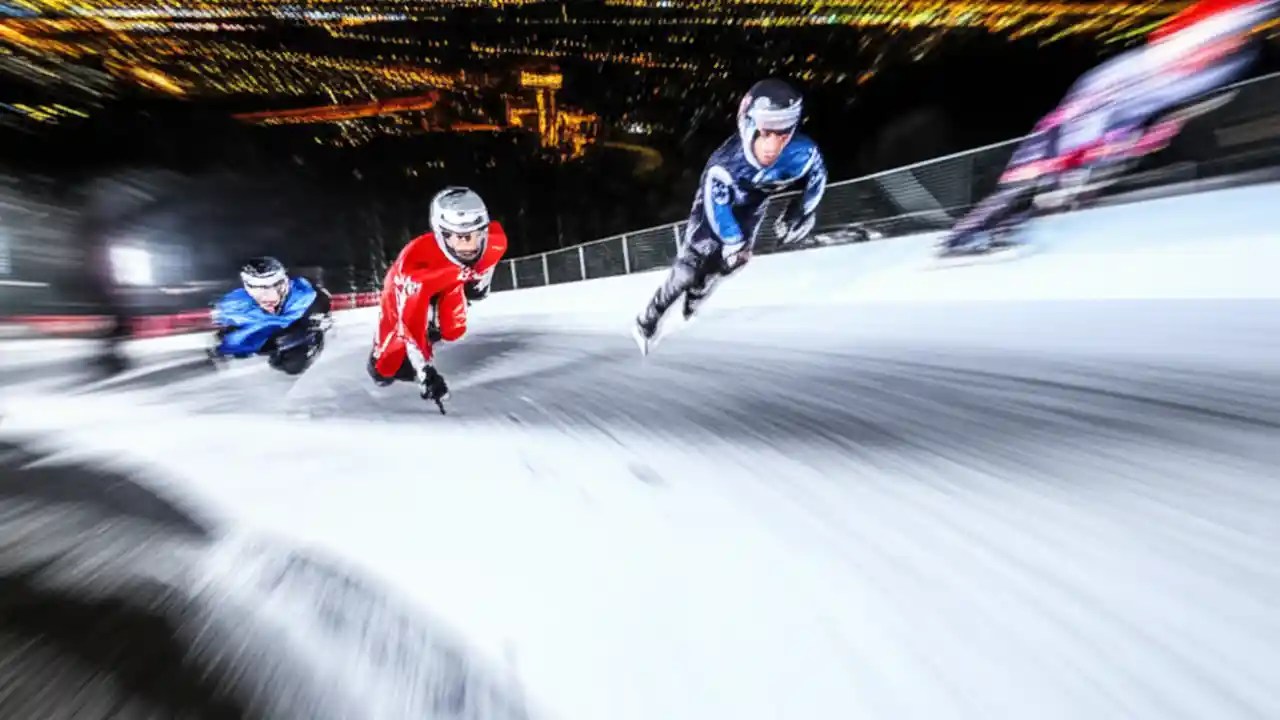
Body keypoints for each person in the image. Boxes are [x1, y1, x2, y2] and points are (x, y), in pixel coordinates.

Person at [936, 0, 1277, 258]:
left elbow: (1150, 114)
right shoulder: (1142, 68)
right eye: (1219, 45)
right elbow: (1091, 103)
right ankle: (959, 238)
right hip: (1072, 130)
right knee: (1024, 185)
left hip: (1099, 131)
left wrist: (1135, 140)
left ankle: (1002, 229)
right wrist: (1101, 142)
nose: (1223, 51)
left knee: (1059, 191)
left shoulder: (1196, 73)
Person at [633, 78, 828, 355]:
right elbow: (717, 209)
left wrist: (802, 210)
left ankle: (700, 289)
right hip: (712, 208)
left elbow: (817, 175)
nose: (772, 147)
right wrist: (733, 240)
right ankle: (648, 318)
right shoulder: (725, 165)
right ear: (748, 125)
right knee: (688, 269)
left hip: (751, 208)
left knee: (733, 263)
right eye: (765, 133)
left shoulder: (802, 154)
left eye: (782, 135)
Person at [367, 186, 508, 408]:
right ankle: (387, 352)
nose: (468, 247)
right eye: (458, 237)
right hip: (403, 286)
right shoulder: (414, 271)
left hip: (445, 281)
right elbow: (409, 325)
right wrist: (425, 371)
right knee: (383, 369)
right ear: (442, 235)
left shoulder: (495, 242)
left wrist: (477, 283)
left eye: (475, 235)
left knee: (454, 330)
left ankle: (433, 322)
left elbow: (485, 267)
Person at [208, 256, 332, 375]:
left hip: (294, 337)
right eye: (259, 288)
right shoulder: (235, 305)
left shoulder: (305, 294)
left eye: (277, 285)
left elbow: (322, 310)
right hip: (264, 340)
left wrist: (317, 323)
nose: (270, 295)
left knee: (294, 363)